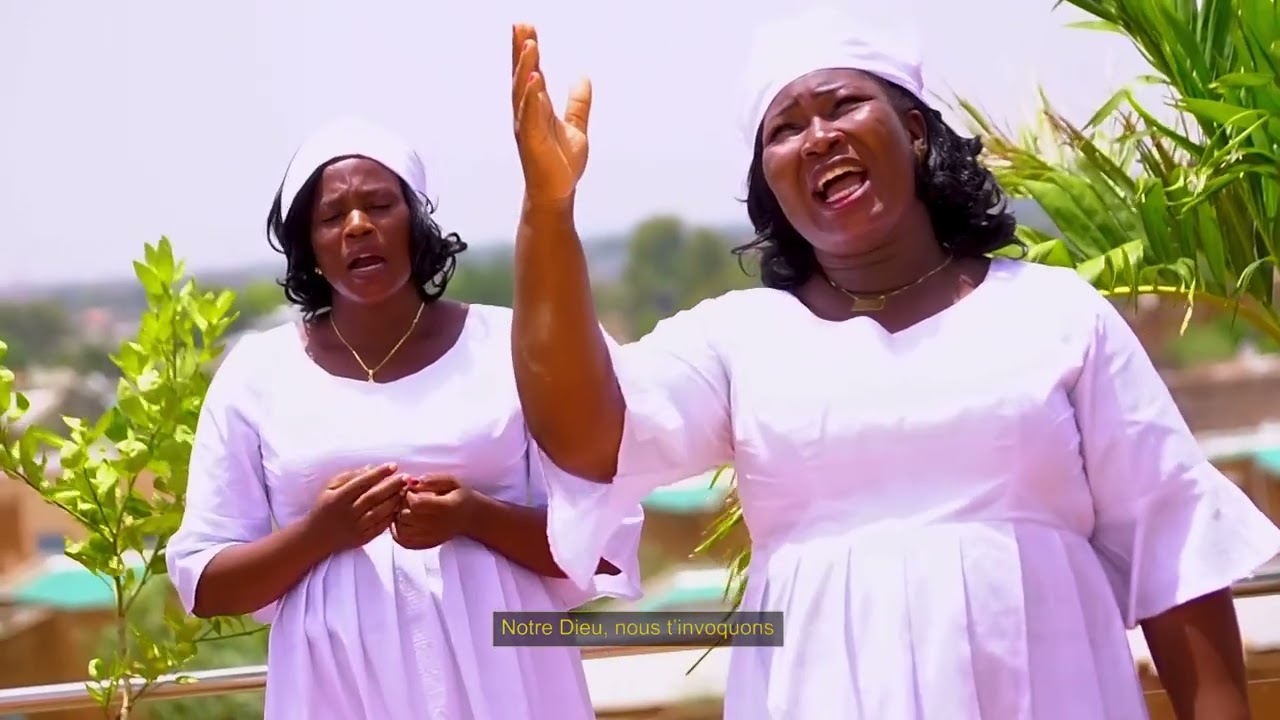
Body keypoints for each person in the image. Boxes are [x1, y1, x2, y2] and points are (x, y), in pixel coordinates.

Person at [507, 6, 1280, 719]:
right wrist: (549, 210)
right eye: (784, 128)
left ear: (914, 129)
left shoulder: (1055, 313)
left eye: (842, 105)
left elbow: (1176, 558)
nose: (818, 137)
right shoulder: (742, 340)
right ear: (771, 184)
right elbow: (582, 434)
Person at [166, 116, 643, 720]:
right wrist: (323, 532)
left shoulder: (514, 345)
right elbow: (206, 584)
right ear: (307, 246)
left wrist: (477, 515)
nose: (358, 226)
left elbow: (608, 543)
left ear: (416, 222)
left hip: (511, 679)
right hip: (334, 689)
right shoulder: (257, 372)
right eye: (332, 216)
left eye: (379, 205)